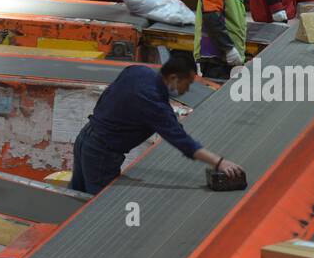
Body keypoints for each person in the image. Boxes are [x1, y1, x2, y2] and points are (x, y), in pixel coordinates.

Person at [69, 52, 246, 194]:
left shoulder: (138, 71)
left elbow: (109, 95)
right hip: (101, 155)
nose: (188, 89)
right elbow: (183, 142)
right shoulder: (154, 104)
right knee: (97, 210)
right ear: (175, 78)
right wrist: (219, 162)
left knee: (75, 200)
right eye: (188, 82)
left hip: (85, 138)